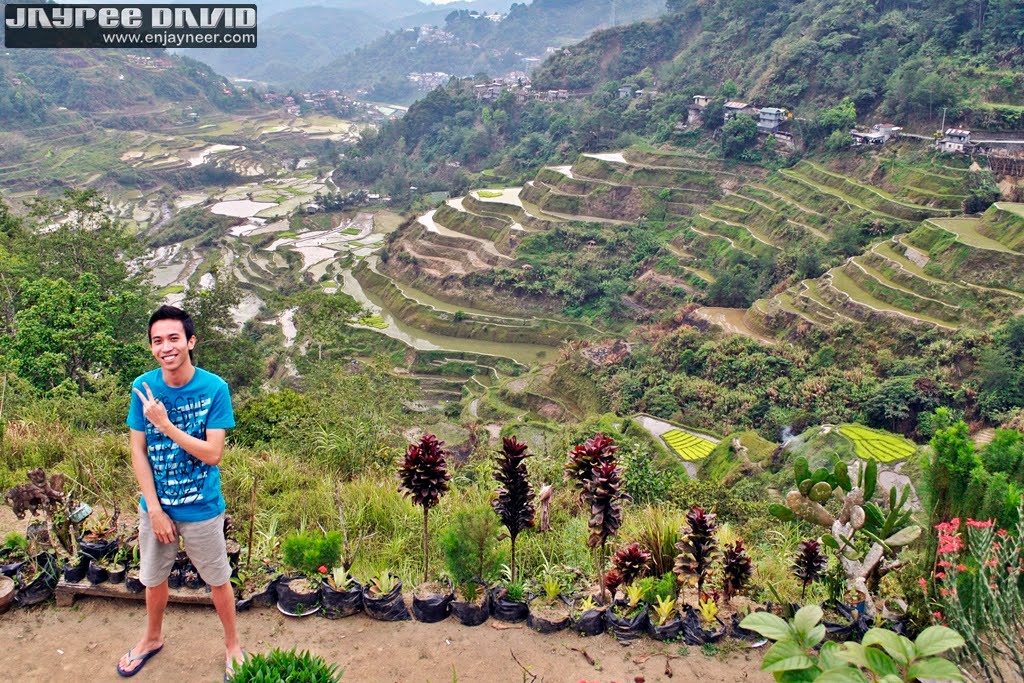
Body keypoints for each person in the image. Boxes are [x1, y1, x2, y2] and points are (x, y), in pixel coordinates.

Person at [117, 305, 244, 680]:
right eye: (158, 341)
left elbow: (214, 453)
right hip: (157, 507)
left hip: (202, 506)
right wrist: (154, 509)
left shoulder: (214, 388)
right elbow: (138, 450)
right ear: (152, 347)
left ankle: (233, 645)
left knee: (218, 579)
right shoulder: (142, 387)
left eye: (174, 338)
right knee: (153, 578)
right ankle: (152, 638)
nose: (166, 347)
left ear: (190, 341)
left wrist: (167, 426)